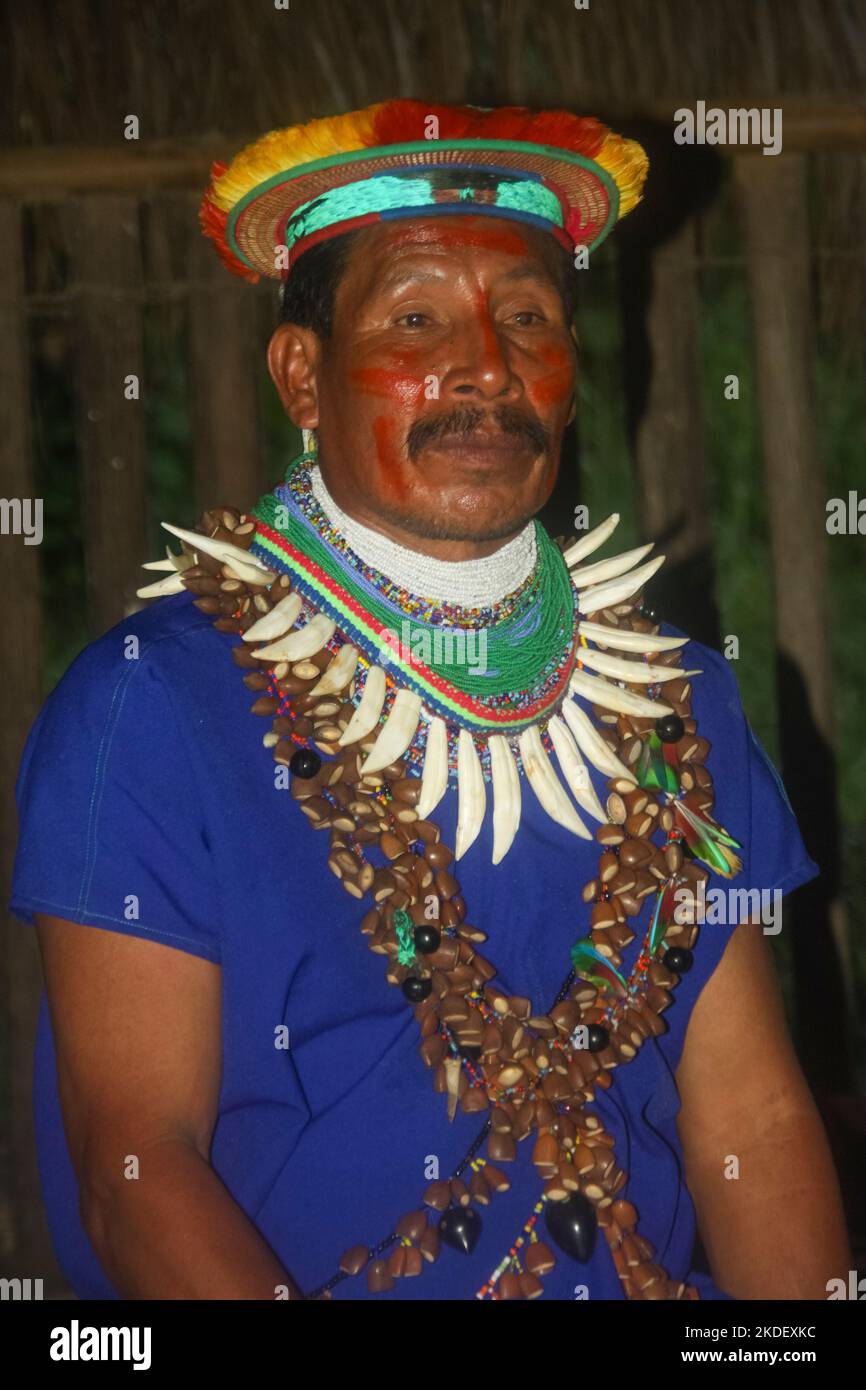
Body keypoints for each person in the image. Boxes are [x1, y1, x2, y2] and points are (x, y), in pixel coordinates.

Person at [11, 98, 849, 1301]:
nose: (487, 367)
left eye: (527, 318)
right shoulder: (148, 708)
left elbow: (755, 1118)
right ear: (301, 376)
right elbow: (134, 1166)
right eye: (415, 318)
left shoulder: (675, 699)